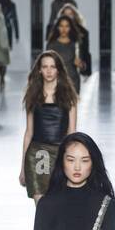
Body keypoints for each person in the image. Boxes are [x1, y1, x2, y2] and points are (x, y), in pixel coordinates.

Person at [19, 52, 77, 204]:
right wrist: (23, 167)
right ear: (39, 70)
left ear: (58, 70)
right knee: (41, 205)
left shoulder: (69, 96)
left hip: (60, 154)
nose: (49, 71)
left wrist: (72, 160)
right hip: (38, 155)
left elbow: (72, 132)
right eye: (45, 67)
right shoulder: (33, 95)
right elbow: (29, 132)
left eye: (53, 67)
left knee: (58, 203)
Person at [46, 15, 82, 95]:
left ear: (70, 28)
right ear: (57, 28)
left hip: (73, 82)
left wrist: (80, 64)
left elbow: (83, 67)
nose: (64, 29)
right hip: (56, 83)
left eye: (67, 26)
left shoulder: (75, 44)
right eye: (61, 26)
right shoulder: (51, 45)